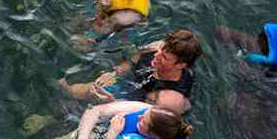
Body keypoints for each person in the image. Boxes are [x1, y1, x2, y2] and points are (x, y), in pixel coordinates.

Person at [60, 28, 202, 113]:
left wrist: (112, 102)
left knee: (94, 95)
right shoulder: (160, 47)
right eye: (160, 50)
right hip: (136, 82)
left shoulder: (169, 99)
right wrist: (121, 69)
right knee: (89, 89)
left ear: (180, 65)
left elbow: (142, 120)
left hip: (141, 103)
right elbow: (137, 55)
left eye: (164, 57)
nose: (156, 55)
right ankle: (63, 89)